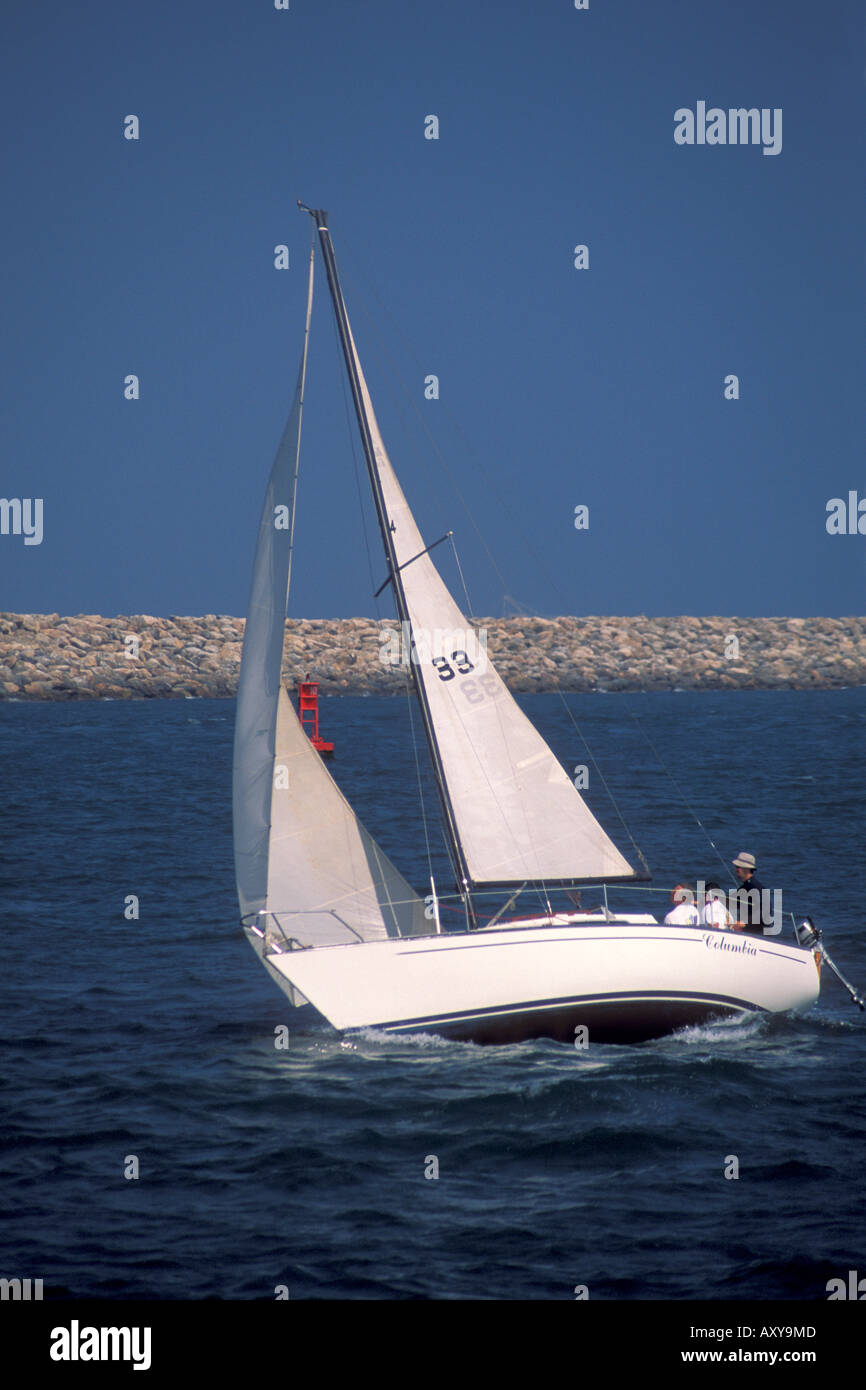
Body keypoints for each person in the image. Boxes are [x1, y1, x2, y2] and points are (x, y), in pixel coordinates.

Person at [731, 852, 771, 934]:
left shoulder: (754, 887)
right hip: (748, 932)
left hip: (756, 934)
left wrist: (744, 923)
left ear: (746, 869)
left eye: (738, 867)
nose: (735, 870)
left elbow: (766, 910)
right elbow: (731, 902)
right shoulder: (745, 887)